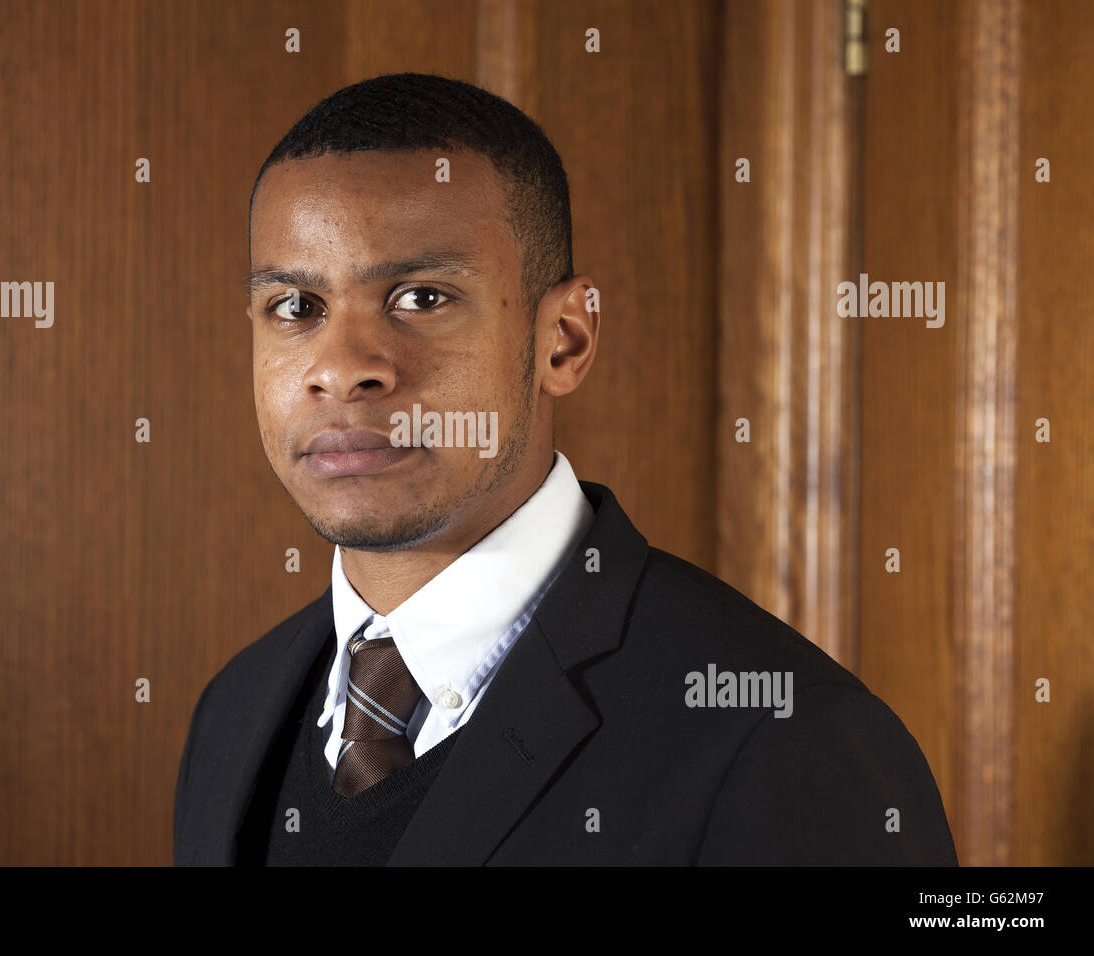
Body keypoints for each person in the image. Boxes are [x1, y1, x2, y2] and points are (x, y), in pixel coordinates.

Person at [173, 72, 958, 866]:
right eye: (295, 307)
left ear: (565, 341)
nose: (340, 369)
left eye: (420, 297)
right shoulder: (234, 712)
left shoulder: (787, 741)